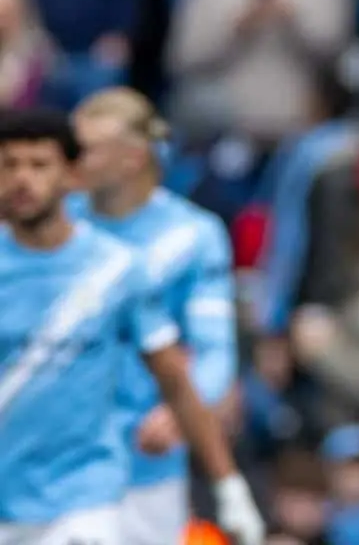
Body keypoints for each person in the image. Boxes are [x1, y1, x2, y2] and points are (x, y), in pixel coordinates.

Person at [0, 108, 264, 545]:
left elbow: (181, 375)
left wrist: (228, 484)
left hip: (91, 491)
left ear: (70, 173)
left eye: (39, 165)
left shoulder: (121, 266)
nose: (23, 179)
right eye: (9, 165)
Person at [68, 88, 238, 545]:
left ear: (133, 158)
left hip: (145, 465)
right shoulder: (56, 225)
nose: (71, 160)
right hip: (57, 462)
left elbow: (215, 349)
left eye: (86, 150)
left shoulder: (193, 236)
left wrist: (180, 411)